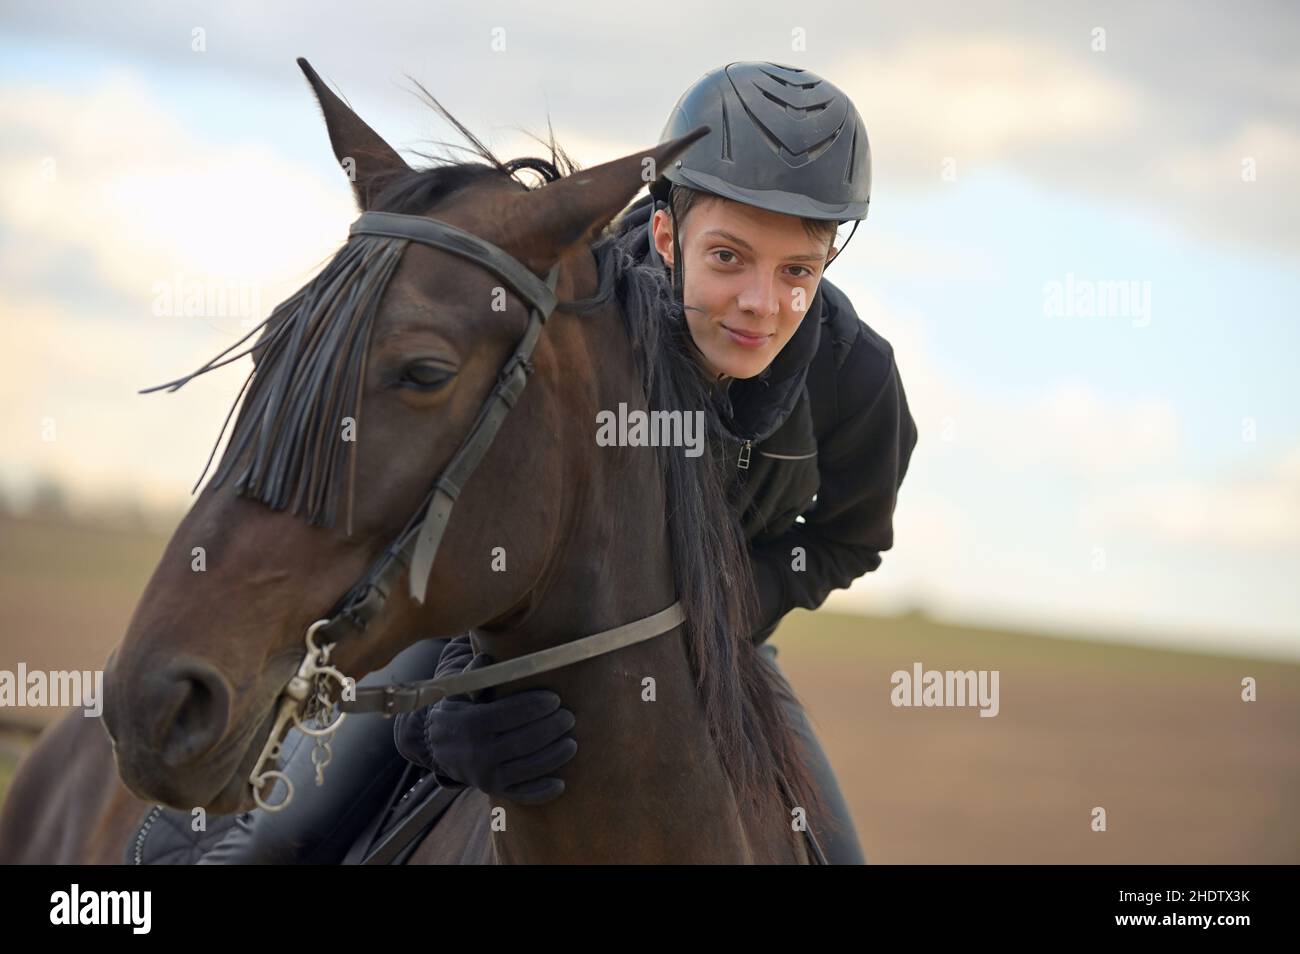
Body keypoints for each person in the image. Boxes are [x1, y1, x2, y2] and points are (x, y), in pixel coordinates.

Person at [198, 61, 917, 865]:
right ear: (669, 233)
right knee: (279, 847)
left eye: (797, 272)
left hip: (722, 649)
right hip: (490, 621)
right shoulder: (577, 328)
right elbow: (463, 508)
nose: (762, 303)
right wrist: (427, 726)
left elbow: (849, 539)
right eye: (728, 258)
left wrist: (724, 611)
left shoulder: (857, 378)